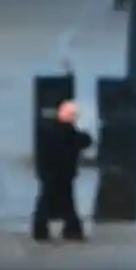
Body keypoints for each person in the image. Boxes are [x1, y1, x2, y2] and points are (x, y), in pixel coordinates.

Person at [34, 101, 92, 242]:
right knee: (65, 203)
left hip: (49, 172)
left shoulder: (49, 132)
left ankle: (41, 230)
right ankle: (71, 230)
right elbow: (86, 141)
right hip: (63, 173)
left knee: (47, 202)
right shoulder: (69, 133)